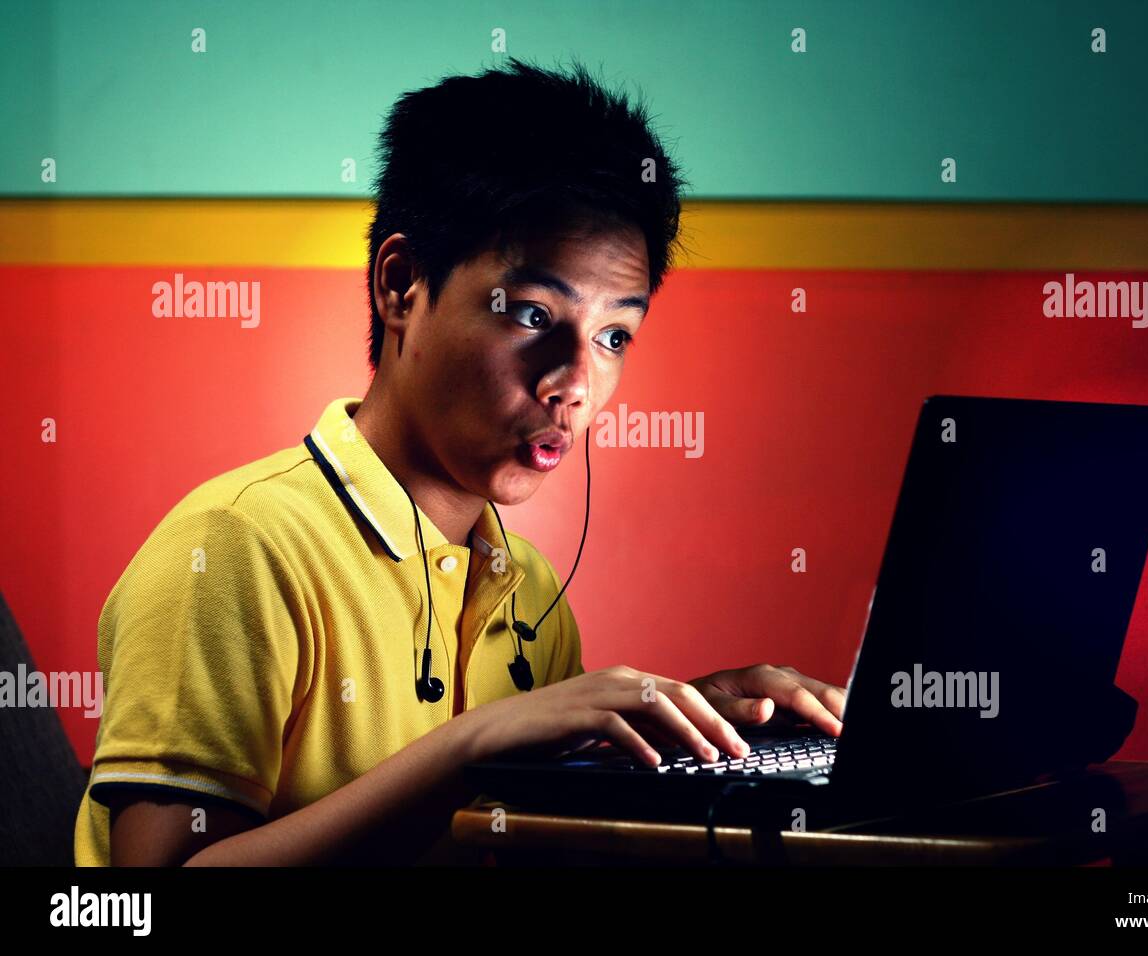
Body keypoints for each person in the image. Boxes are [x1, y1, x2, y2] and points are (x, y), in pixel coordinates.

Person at [74, 57, 845, 866]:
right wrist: (466, 749)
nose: (575, 384)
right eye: (534, 314)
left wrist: (699, 720)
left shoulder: (530, 586)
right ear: (400, 286)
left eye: (615, 336)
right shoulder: (231, 550)